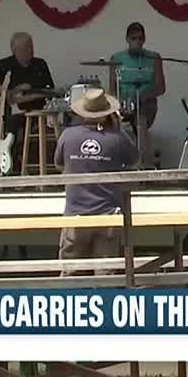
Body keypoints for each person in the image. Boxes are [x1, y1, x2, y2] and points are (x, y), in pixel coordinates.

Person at [54, 88, 138, 275]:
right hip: (108, 214)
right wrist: (118, 128)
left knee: (70, 274)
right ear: (107, 114)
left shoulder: (68, 135)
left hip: (75, 214)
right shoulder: (117, 138)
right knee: (105, 276)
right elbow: (134, 161)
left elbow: (59, 165)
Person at [0, 32, 56, 167]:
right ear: (14, 50)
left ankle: (19, 162)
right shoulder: (5, 64)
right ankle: (5, 163)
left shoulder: (40, 64)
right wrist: (5, 91)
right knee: (6, 124)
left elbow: (50, 90)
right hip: (13, 113)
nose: (31, 50)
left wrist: (30, 97)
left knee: (17, 124)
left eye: (31, 46)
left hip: (36, 112)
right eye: (26, 47)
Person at [109, 22, 165, 168]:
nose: (137, 42)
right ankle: (119, 162)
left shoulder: (154, 58)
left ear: (144, 39)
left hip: (146, 103)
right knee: (114, 123)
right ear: (127, 39)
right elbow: (112, 90)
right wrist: (119, 103)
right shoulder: (116, 58)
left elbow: (161, 88)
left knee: (140, 121)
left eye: (140, 38)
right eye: (134, 38)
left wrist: (143, 96)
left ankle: (145, 164)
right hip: (123, 103)